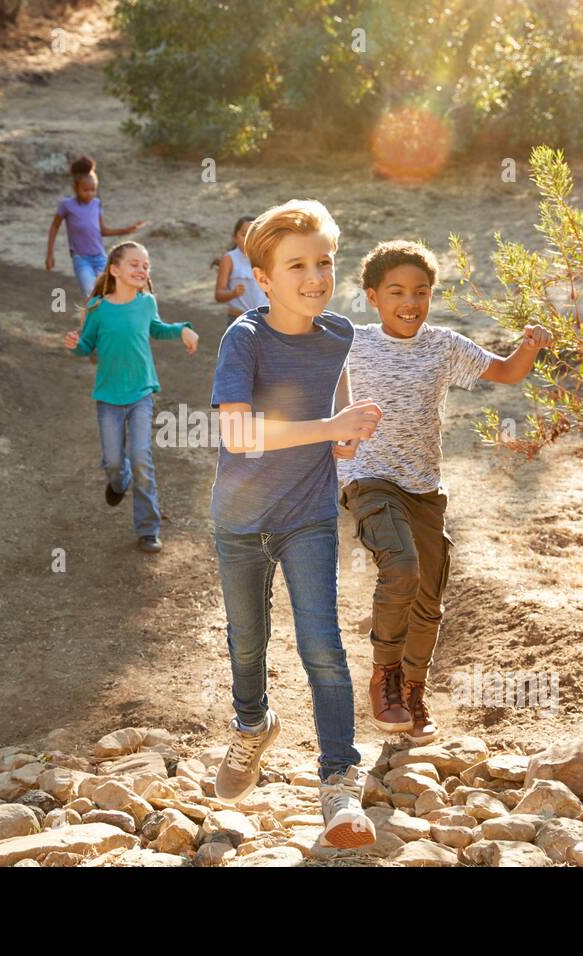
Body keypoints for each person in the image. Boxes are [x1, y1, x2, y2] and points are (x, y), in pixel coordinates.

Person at [208, 198, 384, 849]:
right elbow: (235, 432)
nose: (315, 277)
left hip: (308, 515)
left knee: (322, 644)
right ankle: (252, 726)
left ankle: (339, 782)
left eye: (324, 263)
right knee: (247, 643)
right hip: (239, 522)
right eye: (297, 266)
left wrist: (345, 435)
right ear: (263, 276)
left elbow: (334, 392)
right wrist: (329, 428)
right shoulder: (244, 339)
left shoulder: (338, 333)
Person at [335, 240, 552, 740]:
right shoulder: (352, 340)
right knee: (402, 566)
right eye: (396, 292)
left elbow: (506, 371)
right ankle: (384, 675)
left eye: (421, 291)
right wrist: (333, 434)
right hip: (369, 477)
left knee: (429, 596)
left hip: (425, 487)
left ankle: (414, 690)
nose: (410, 302)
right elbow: (317, 379)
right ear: (372, 296)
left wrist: (530, 345)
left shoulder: (443, 345)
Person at [63, 241, 197, 554]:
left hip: (141, 394)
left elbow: (159, 329)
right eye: (134, 264)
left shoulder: (147, 302)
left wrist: (182, 330)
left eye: (146, 266)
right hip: (109, 397)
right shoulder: (97, 308)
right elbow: (86, 347)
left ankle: (149, 529)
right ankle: (117, 481)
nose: (142, 270)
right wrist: (74, 344)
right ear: (114, 270)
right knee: (113, 462)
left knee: (141, 458)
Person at [46, 155, 146, 300]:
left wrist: (127, 230)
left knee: (111, 292)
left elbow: (102, 231)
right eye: (85, 190)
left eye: (93, 190)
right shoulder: (66, 205)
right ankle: (93, 321)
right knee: (90, 292)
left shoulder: (96, 204)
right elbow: (54, 227)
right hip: (81, 258)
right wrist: (50, 254)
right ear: (75, 188)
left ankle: (109, 321)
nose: (90, 193)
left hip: (100, 257)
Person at [212, 215, 268, 319]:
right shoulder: (229, 259)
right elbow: (218, 295)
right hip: (238, 318)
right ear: (235, 237)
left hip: (266, 320)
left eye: (252, 235)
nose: (248, 239)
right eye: (243, 234)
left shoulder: (267, 258)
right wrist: (233, 293)